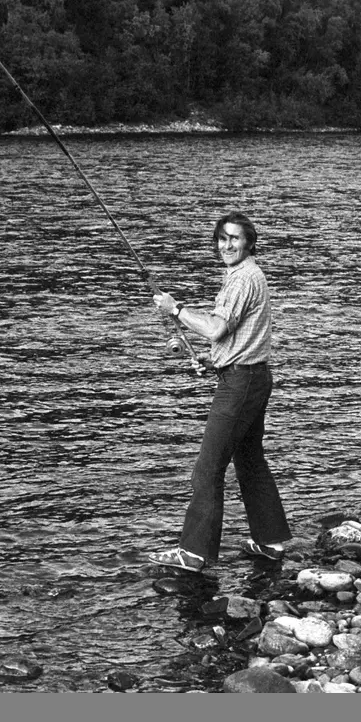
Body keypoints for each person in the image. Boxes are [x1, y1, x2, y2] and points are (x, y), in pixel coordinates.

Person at [146, 211, 291, 573]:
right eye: (222, 238)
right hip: (252, 377)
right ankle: (270, 541)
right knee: (250, 460)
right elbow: (240, 338)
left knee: (208, 468)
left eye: (235, 238)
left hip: (241, 385)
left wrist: (175, 309)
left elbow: (215, 329)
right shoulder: (247, 275)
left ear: (249, 243)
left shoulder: (243, 279)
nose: (227, 245)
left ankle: (193, 553)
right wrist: (215, 360)